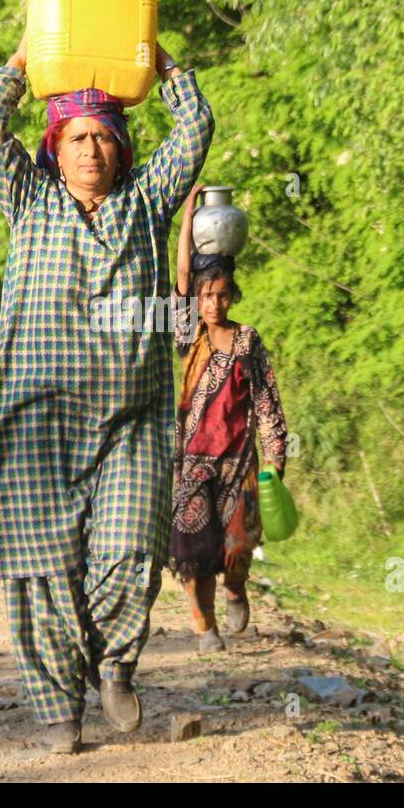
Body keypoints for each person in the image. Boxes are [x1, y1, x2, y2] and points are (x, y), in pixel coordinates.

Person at [0, 30, 214, 754]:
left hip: (131, 422)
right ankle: (58, 712)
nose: (90, 151)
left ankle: (112, 667)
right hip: (34, 424)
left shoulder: (146, 203)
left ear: (122, 149)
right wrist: (24, 56)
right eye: (76, 137)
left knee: (129, 553)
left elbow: (195, 127)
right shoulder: (27, 199)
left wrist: (154, 55)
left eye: (103, 138)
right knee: (42, 571)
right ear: (54, 145)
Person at [169, 185, 289, 652]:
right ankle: (204, 625)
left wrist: (276, 456)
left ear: (232, 296)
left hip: (238, 460)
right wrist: (187, 217)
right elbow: (181, 272)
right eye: (206, 296)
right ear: (197, 300)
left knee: (239, 543)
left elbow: (267, 400)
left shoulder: (247, 340)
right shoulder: (187, 336)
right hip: (192, 462)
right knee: (193, 553)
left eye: (221, 295)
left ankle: (236, 589)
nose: (214, 304)